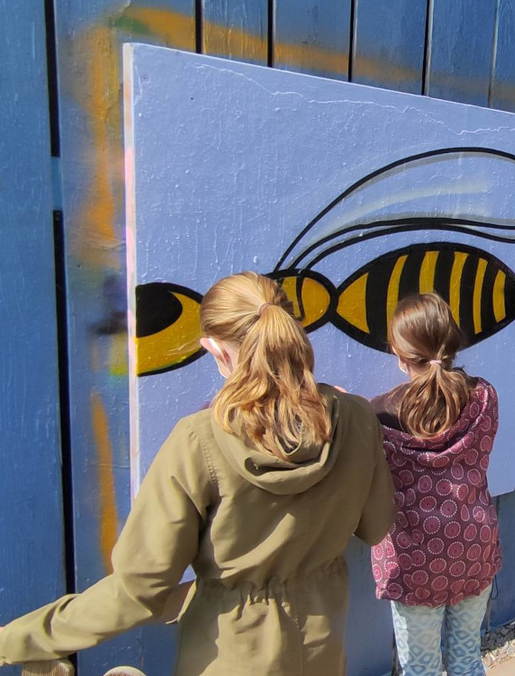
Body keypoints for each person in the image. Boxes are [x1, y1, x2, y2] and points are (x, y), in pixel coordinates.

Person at [0, 272, 394, 675]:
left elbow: (138, 590)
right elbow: (376, 527)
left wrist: (18, 638)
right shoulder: (356, 417)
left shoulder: (197, 439)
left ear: (216, 351)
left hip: (226, 657)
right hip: (322, 650)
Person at [368, 293, 501, 676]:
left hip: (414, 562)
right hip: (474, 545)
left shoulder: (378, 413)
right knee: (467, 657)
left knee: (421, 668)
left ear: (398, 353)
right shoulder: (484, 396)